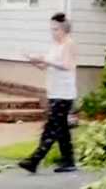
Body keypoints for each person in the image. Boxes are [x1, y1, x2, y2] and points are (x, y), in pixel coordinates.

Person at [19, 13, 78, 173]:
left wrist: (45, 60)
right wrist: (34, 60)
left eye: (56, 29)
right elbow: (47, 66)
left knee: (51, 128)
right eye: (51, 29)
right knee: (62, 129)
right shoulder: (54, 45)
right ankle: (68, 161)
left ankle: (34, 160)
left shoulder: (69, 44)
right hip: (54, 92)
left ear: (64, 29)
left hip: (64, 94)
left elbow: (66, 65)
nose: (53, 32)